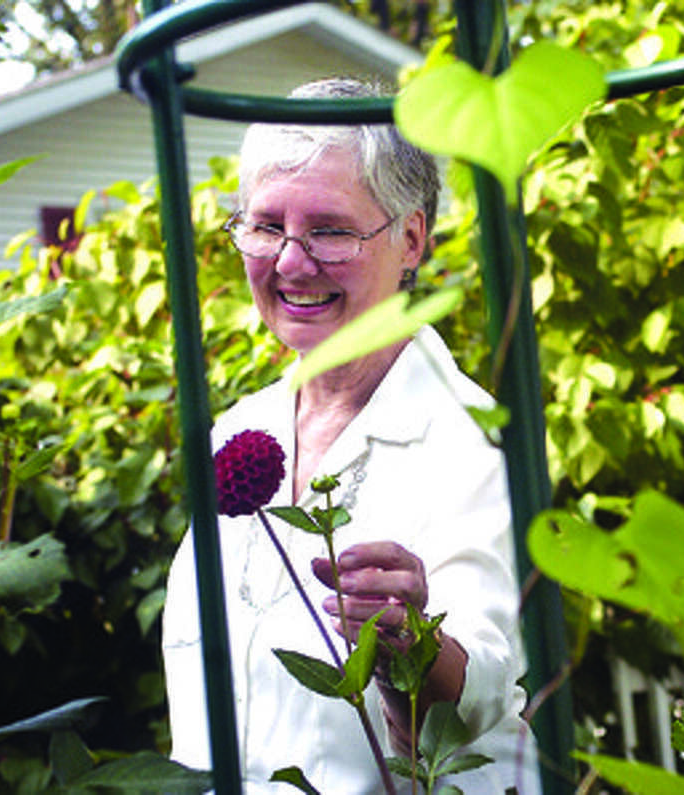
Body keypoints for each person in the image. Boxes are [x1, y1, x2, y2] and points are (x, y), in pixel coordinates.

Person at [162, 77, 541, 794]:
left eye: (330, 230)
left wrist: (414, 642)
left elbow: (482, 698)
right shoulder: (235, 435)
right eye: (266, 225)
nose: (291, 261)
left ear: (412, 237)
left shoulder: (474, 443)